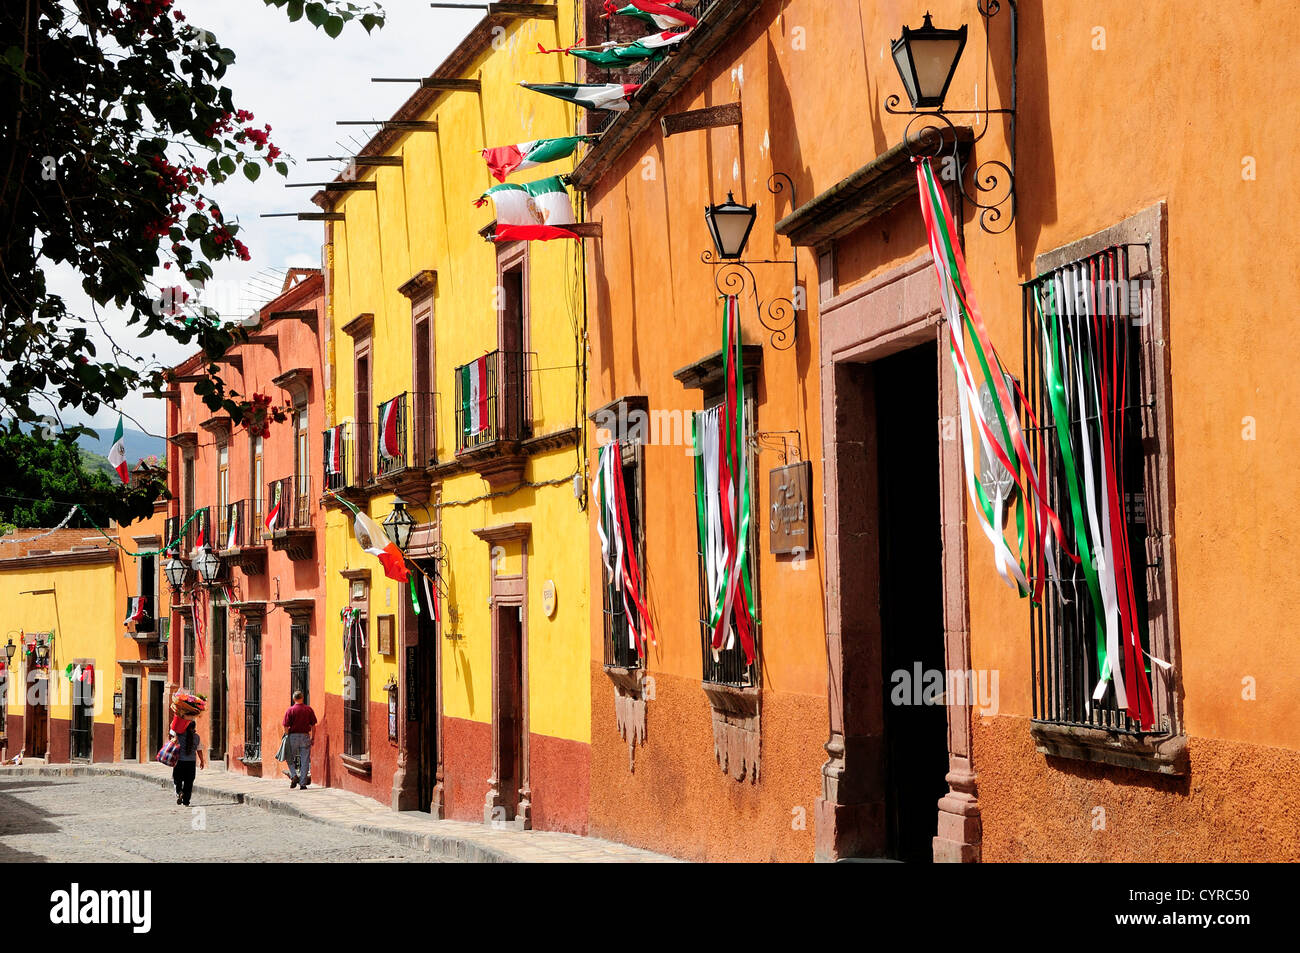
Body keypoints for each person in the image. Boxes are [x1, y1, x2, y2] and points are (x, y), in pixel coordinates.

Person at [281, 690, 316, 789]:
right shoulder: (308, 710)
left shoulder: (290, 710)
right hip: (305, 736)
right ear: (302, 698)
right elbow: (313, 725)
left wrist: (287, 736)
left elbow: (285, 726)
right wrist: (313, 737)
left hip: (293, 737)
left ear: (293, 699)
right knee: (305, 760)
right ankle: (303, 784)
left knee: (289, 757)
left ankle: (294, 775)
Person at [173, 722, 206, 806]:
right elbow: (199, 750)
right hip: (191, 763)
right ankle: (186, 801)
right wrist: (202, 761)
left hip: (180, 762)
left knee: (178, 779)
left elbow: (172, 728)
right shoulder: (197, 737)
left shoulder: (179, 735)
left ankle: (179, 791)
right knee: (189, 782)